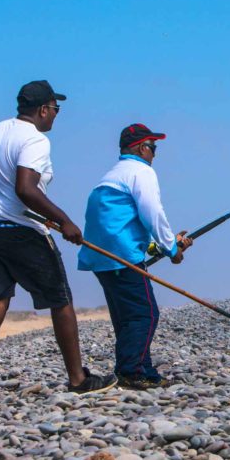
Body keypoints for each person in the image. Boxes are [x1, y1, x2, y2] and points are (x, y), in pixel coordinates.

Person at [0, 81, 117, 410]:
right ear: (44, 110)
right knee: (60, 299)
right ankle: (78, 379)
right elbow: (25, 188)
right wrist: (64, 221)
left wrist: (37, 212)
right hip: (18, 231)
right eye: (56, 109)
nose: (57, 116)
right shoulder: (35, 139)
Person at [78, 123, 192, 390]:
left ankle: (144, 369)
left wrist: (159, 247)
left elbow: (121, 224)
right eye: (154, 148)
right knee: (146, 314)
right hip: (121, 257)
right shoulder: (141, 171)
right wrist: (172, 249)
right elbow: (152, 213)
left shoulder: (111, 176)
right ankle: (131, 371)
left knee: (128, 317)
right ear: (142, 148)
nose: (154, 154)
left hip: (101, 257)